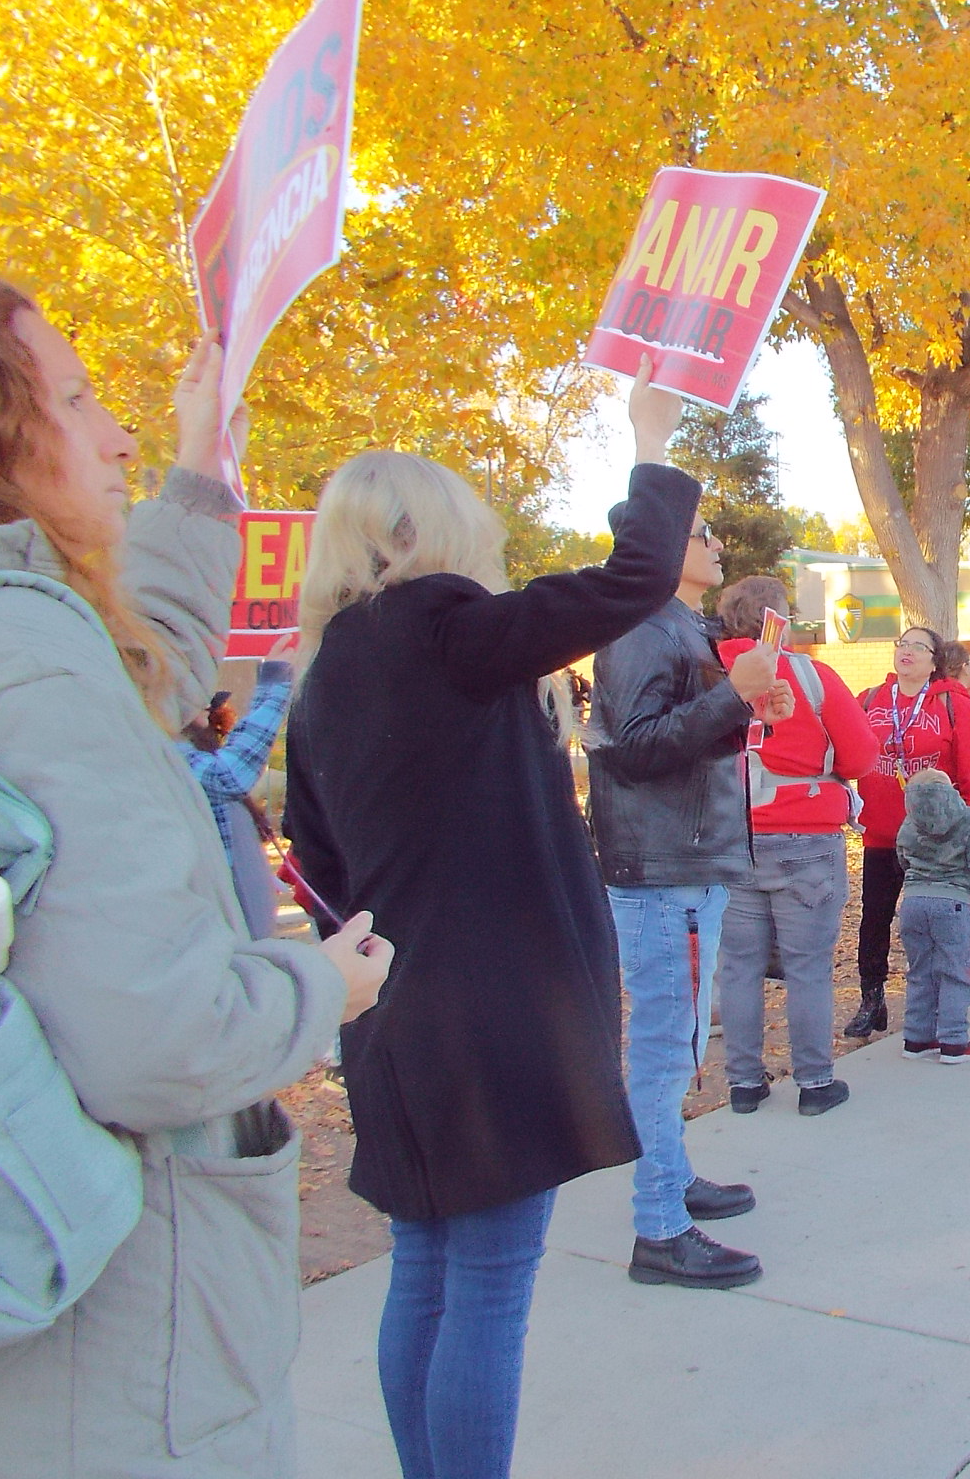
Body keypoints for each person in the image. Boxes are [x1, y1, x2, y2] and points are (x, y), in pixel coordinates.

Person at [283, 363, 707, 1479]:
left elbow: (321, 872)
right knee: (487, 1287)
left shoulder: (322, 674)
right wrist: (649, 442)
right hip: (495, 1009)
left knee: (423, 1271)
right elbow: (635, 579)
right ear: (426, 535)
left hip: (390, 1008)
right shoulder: (443, 626)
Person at [0, 286, 387, 1474]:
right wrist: (315, 989)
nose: (113, 431)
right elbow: (159, 1041)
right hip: (129, 1362)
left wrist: (202, 459)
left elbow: (138, 653)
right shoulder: (33, 663)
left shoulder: (48, 637)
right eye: (73, 398)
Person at [587, 490, 794, 1293]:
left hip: (690, 862)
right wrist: (730, 695)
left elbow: (691, 733)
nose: (716, 546)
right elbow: (634, 749)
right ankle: (660, 1228)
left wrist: (746, 707)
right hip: (662, 870)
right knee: (666, 1048)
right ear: (667, 544)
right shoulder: (639, 626)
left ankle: (671, 1180)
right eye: (704, 535)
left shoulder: (678, 626)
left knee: (677, 1044)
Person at [713, 574, 878, 1116]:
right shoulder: (810, 675)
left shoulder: (703, 673)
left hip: (731, 835)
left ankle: (743, 1084)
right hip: (806, 835)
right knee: (808, 966)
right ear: (777, 620)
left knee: (737, 967)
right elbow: (858, 758)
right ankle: (814, 1083)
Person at [845, 624, 970, 1037]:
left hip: (936, 845)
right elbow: (847, 756)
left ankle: (937, 1008)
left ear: (934, 661)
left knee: (932, 925)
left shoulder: (954, 705)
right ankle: (871, 1001)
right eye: (901, 644)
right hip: (882, 834)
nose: (906, 651)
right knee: (874, 920)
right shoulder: (871, 701)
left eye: (918, 646)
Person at [182, 647, 293, 937]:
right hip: (223, 932)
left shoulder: (196, 752)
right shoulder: (162, 747)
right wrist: (276, 683)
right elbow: (229, 774)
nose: (207, 709)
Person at [896, 769, 970, 1063]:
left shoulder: (909, 822)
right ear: (950, 790)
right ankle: (954, 1041)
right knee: (955, 973)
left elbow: (902, 858)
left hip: (913, 903)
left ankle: (916, 1038)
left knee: (920, 972)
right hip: (953, 904)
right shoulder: (969, 820)